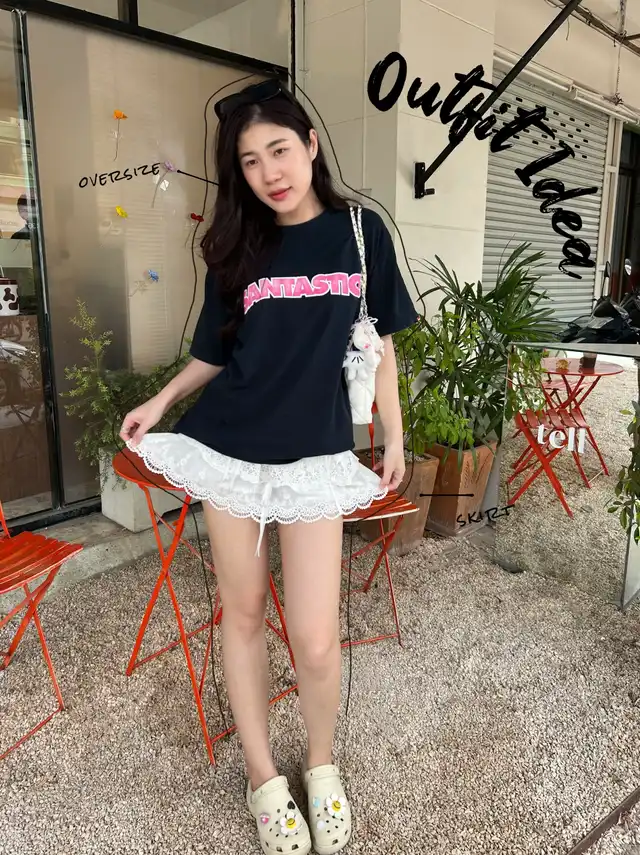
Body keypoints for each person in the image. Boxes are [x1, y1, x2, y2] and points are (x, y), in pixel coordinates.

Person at [119, 79, 417, 855]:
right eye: (249, 161)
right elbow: (214, 354)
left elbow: (381, 344)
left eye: (278, 150)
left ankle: (320, 764)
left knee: (315, 638)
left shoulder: (361, 234)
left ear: (311, 144)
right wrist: (161, 400)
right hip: (231, 451)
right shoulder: (239, 247)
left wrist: (394, 434)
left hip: (315, 456)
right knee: (243, 613)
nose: (268, 172)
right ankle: (262, 777)